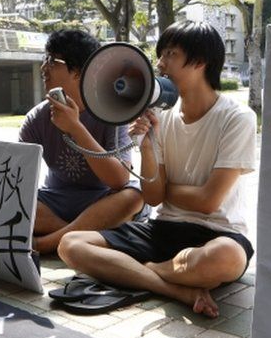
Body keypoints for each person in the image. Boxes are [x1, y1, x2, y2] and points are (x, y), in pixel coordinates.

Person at [59, 21, 257, 317]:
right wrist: (147, 146)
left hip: (218, 233)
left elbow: (208, 201)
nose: (161, 64)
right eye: (160, 55)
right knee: (71, 244)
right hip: (163, 229)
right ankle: (175, 288)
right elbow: (153, 197)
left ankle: (141, 271)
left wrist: (166, 190)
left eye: (171, 54)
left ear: (200, 61)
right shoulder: (160, 118)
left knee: (225, 258)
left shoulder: (237, 117)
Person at [20, 29, 145, 254]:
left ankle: (44, 244)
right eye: (45, 59)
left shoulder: (112, 112)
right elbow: (16, 181)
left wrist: (76, 128)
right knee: (16, 201)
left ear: (79, 71)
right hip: (55, 201)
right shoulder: (36, 118)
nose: (43, 68)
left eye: (52, 61)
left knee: (134, 196)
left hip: (102, 201)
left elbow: (119, 180)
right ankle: (81, 235)